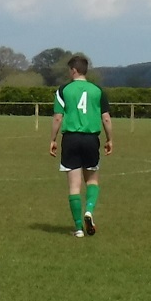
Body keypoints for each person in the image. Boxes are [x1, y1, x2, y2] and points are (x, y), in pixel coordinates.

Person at [48, 55, 113, 237]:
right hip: (91, 139)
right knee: (92, 180)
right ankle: (89, 211)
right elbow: (106, 118)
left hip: (71, 139)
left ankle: (78, 229)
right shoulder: (97, 90)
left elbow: (58, 118)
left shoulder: (63, 90)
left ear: (74, 70)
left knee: (74, 186)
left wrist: (53, 139)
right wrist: (110, 139)